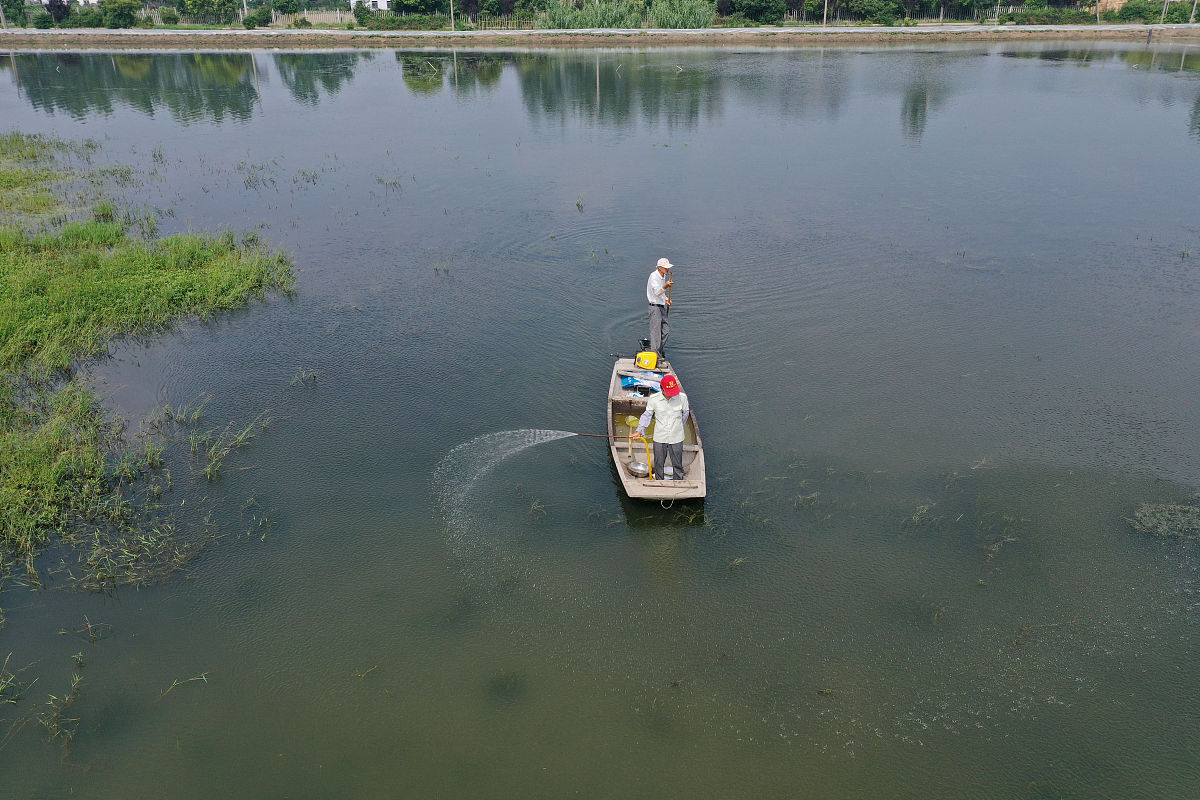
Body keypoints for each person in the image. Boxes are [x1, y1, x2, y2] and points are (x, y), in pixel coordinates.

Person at [631, 374, 690, 481]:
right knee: (658, 463)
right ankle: (659, 481)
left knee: (677, 463)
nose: (671, 395)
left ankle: (678, 482)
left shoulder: (682, 398)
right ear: (662, 389)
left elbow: (685, 414)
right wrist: (639, 430)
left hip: (677, 436)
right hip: (660, 436)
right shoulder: (654, 399)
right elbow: (647, 415)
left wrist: (678, 426)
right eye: (669, 392)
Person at [646, 257, 674, 359]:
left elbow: (661, 294)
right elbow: (657, 292)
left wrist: (666, 299)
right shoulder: (654, 276)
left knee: (666, 331)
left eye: (668, 267)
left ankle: (658, 352)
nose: (668, 269)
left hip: (661, 306)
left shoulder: (663, 276)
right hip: (654, 308)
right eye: (666, 267)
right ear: (659, 268)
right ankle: (655, 356)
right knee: (656, 333)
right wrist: (666, 285)